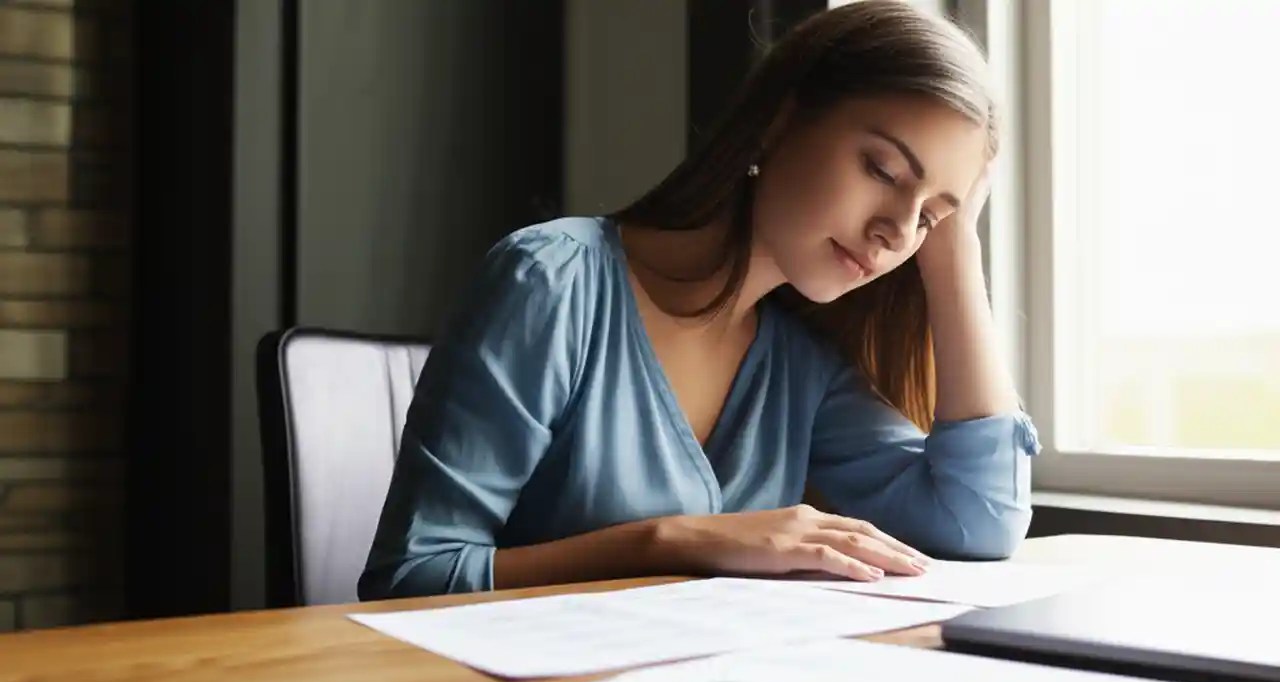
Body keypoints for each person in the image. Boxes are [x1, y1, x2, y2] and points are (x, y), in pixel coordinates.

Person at [359, 0, 1040, 600]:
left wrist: (954, 255)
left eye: (927, 217)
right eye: (883, 171)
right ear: (780, 119)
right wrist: (674, 541)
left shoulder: (800, 367)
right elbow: (412, 575)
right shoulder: (554, 284)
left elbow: (978, 520)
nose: (896, 230)